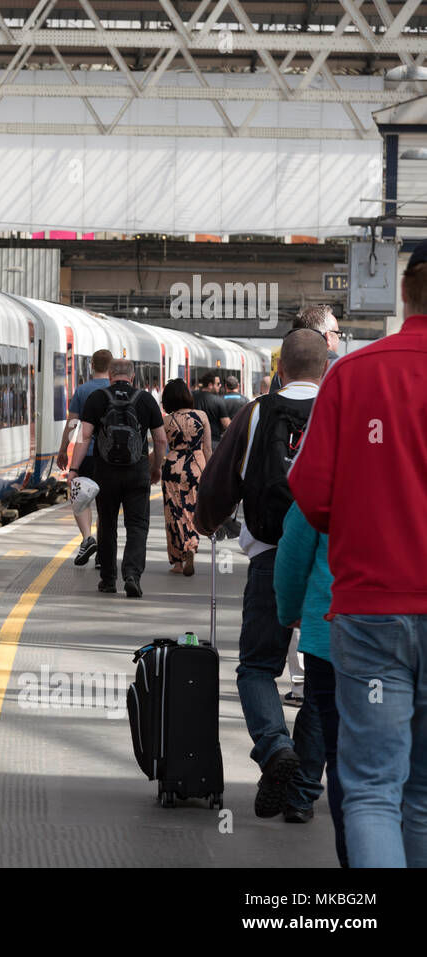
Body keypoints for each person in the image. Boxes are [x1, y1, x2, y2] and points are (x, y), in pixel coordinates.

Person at [288, 248, 427, 868]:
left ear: (403, 291)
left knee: (372, 791)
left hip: (370, 615)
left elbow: (312, 496)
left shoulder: (352, 375)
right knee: (422, 794)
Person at [194, 329, 329, 820]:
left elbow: (219, 482)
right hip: (331, 564)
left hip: (271, 557)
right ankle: (301, 796)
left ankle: (275, 749)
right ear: (326, 365)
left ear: (282, 369)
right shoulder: (344, 409)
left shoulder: (254, 413)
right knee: (320, 678)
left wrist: (205, 523)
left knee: (256, 666)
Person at [274, 501, 346, 863]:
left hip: (332, 620)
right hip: (402, 623)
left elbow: (293, 553)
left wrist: (288, 611)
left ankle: (301, 796)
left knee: (319, 710)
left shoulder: (327, 475)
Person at [67, 358, 166, 598]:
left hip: (106, 472)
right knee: (137, 525)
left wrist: (74, 468)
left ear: (110, 376)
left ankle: (108, 579)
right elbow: (161, 439)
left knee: (108, 524)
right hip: (137, 471)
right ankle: (132, 574)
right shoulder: (145, 399)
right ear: (132, 377)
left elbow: (85, 435)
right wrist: (155, 467)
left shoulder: (97, 398)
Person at [56, 349, 112, 567]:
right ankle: (103, 553)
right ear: (111, 366)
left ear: (91, 366)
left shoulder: (82, 390)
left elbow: (72, 425)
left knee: (82, 498)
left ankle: (88, 537)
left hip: (86, 455)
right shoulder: (114, 389)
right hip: (110, 457)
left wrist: (63, 449)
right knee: (106, 503)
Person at [159, 379, 211, 576]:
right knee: (192, 509)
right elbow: (207, 448)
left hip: (172, 467)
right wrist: (211, 471)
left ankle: (177, 563)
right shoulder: (201, 416)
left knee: (174, 513)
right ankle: (191, 544)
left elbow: (160, 445)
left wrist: (153, 468)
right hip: (196, 467)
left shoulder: (165, 421)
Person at [269, 305, 340, 391]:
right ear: (328, 337)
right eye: (338, 334)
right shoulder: (342, 369)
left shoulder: (282, 374)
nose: (339, 339)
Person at [193, 372, 231, 448]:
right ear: (210, 385)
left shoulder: (192, 398)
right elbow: (226, 423)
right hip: (213, 441)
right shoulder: (218, 400)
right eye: (218, 384)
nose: (220, 385)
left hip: (195, 441)